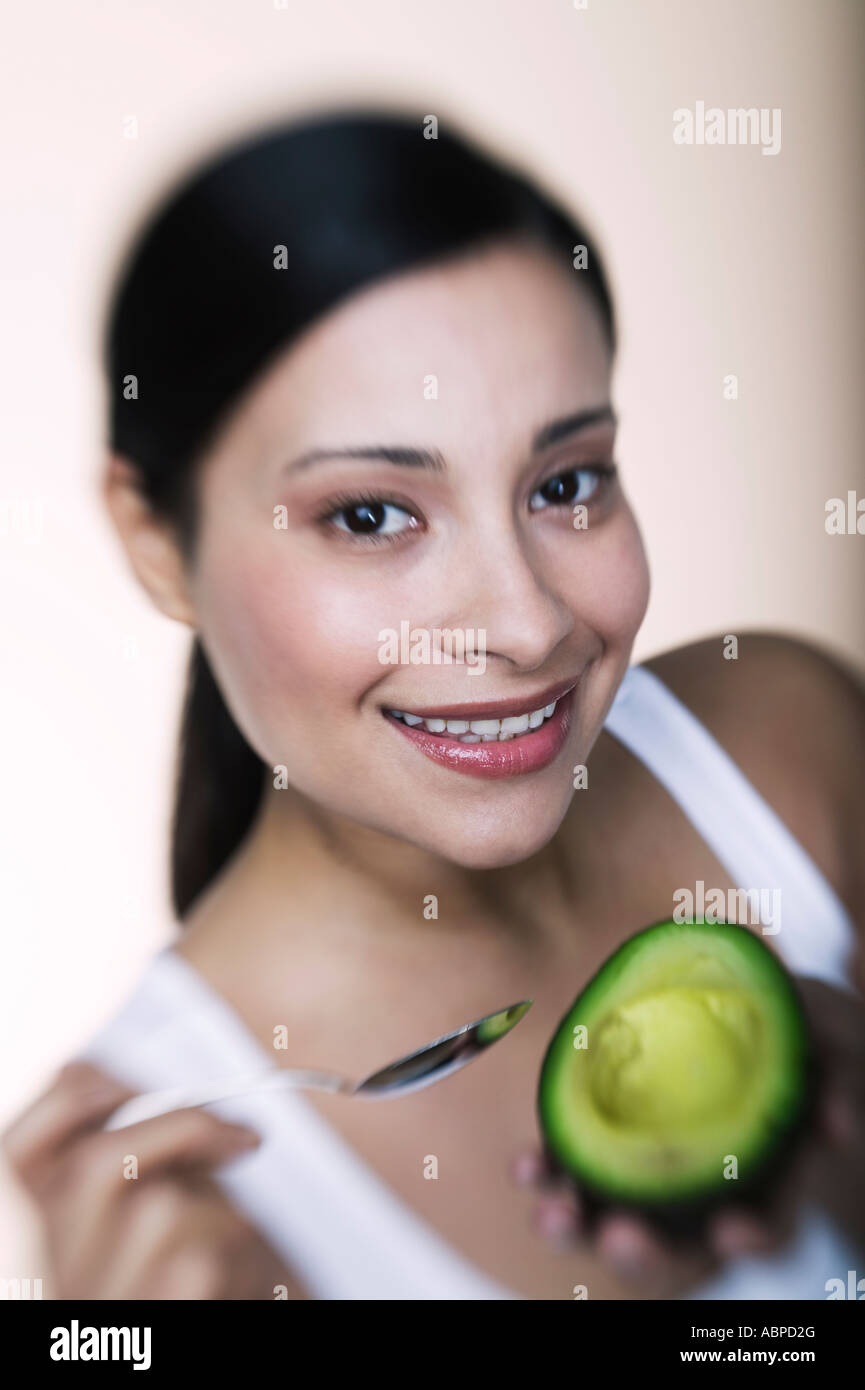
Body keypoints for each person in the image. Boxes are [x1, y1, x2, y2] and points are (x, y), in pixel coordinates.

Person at [4, 110, 864, 1301]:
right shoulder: (165, 1218)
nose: (526, 624)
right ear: (157, 543)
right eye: (368, 514)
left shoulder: (793, 752)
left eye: (565, 483)